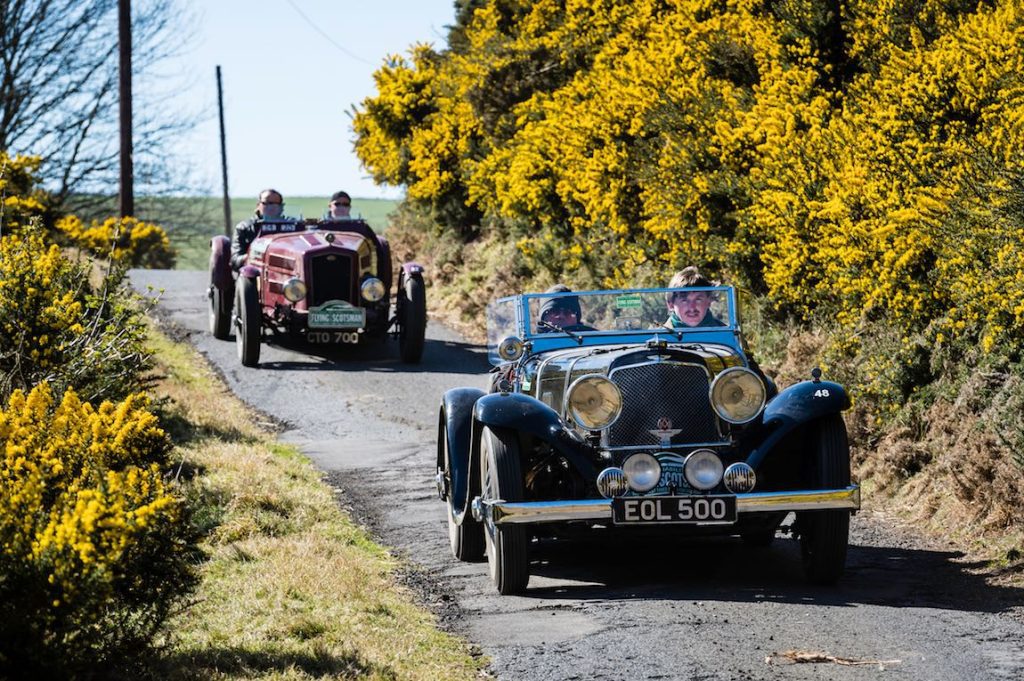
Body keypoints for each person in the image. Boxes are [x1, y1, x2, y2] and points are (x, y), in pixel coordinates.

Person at [230, 188, 284, 270]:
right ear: (258, 205)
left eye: (276, 204)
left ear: (281, 207)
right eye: (267, 203)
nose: (272, 207)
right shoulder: (244, 228)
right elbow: (235, 260)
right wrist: (252, 256)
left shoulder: (292, 227)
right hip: (253, 274)